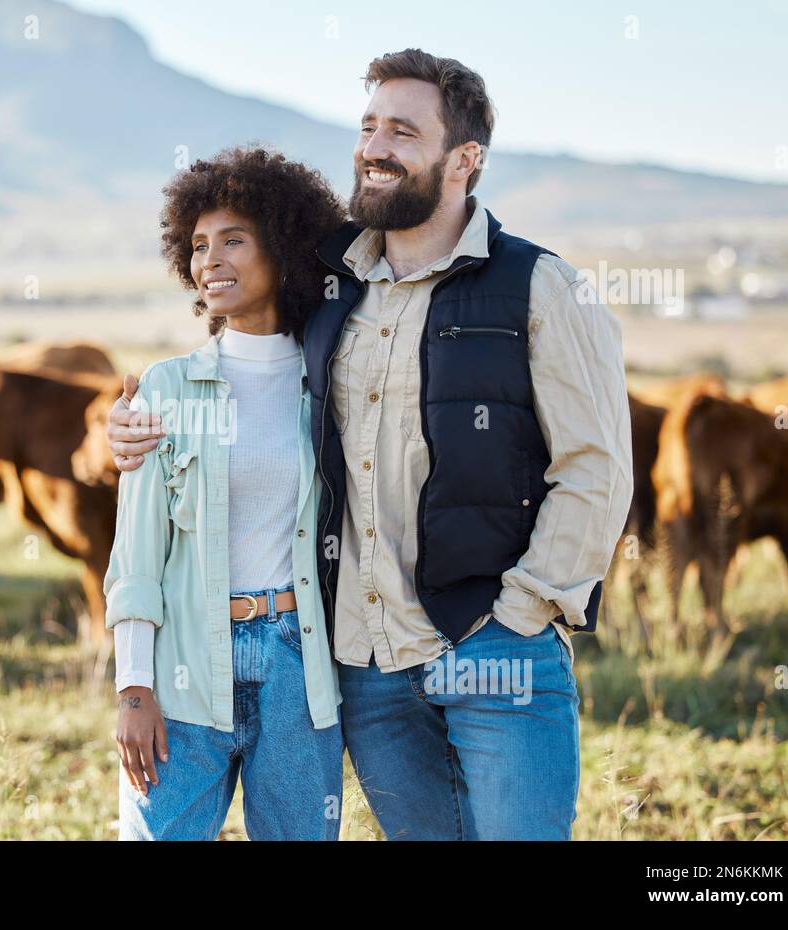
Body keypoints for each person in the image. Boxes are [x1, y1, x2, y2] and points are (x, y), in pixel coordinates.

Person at [108, 49, 633, 840]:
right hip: (368, 673)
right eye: (368, 126)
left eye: (403, 130)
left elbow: (596, 471)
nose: (375, 147)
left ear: (465, 160)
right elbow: (229, 381)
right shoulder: (330, 288)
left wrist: (520, 613)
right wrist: (120, 430)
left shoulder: (540, 287)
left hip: (498, 654)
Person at [106, 147, 347, 840]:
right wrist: (133, 688)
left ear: (285, 249)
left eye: (233, 240)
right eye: (199, 245)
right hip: (184, 669)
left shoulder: (329, 384)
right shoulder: (166, 388)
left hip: (300, 670)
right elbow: (137, 555)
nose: (210, 258)